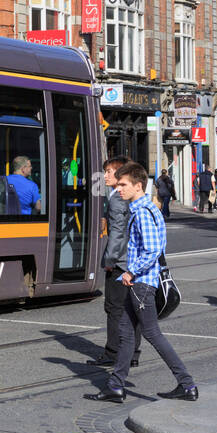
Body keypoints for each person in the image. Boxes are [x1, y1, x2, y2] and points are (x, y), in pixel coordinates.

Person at [87, 161, 197, 403]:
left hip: (141, 284)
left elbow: (152, 250)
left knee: (152, 334)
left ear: (138, 185)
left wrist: (130, 272)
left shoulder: (143, 212)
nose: (119, 189)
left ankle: (187, 384)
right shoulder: (142, 209)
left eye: (124, 184)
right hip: (140, 283)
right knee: (126, 334)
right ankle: (115, 386)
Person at [87, 157, 141, 369]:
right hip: (133, 261)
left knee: (115, 308)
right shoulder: (129, 197)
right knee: (132, 309)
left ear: (121, 174)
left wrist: (109, 261)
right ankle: (132, 352)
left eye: (109, 171)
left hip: (120, 263)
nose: (105, 176)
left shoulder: (117, 198)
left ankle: (113, 352)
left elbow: (118, 235)